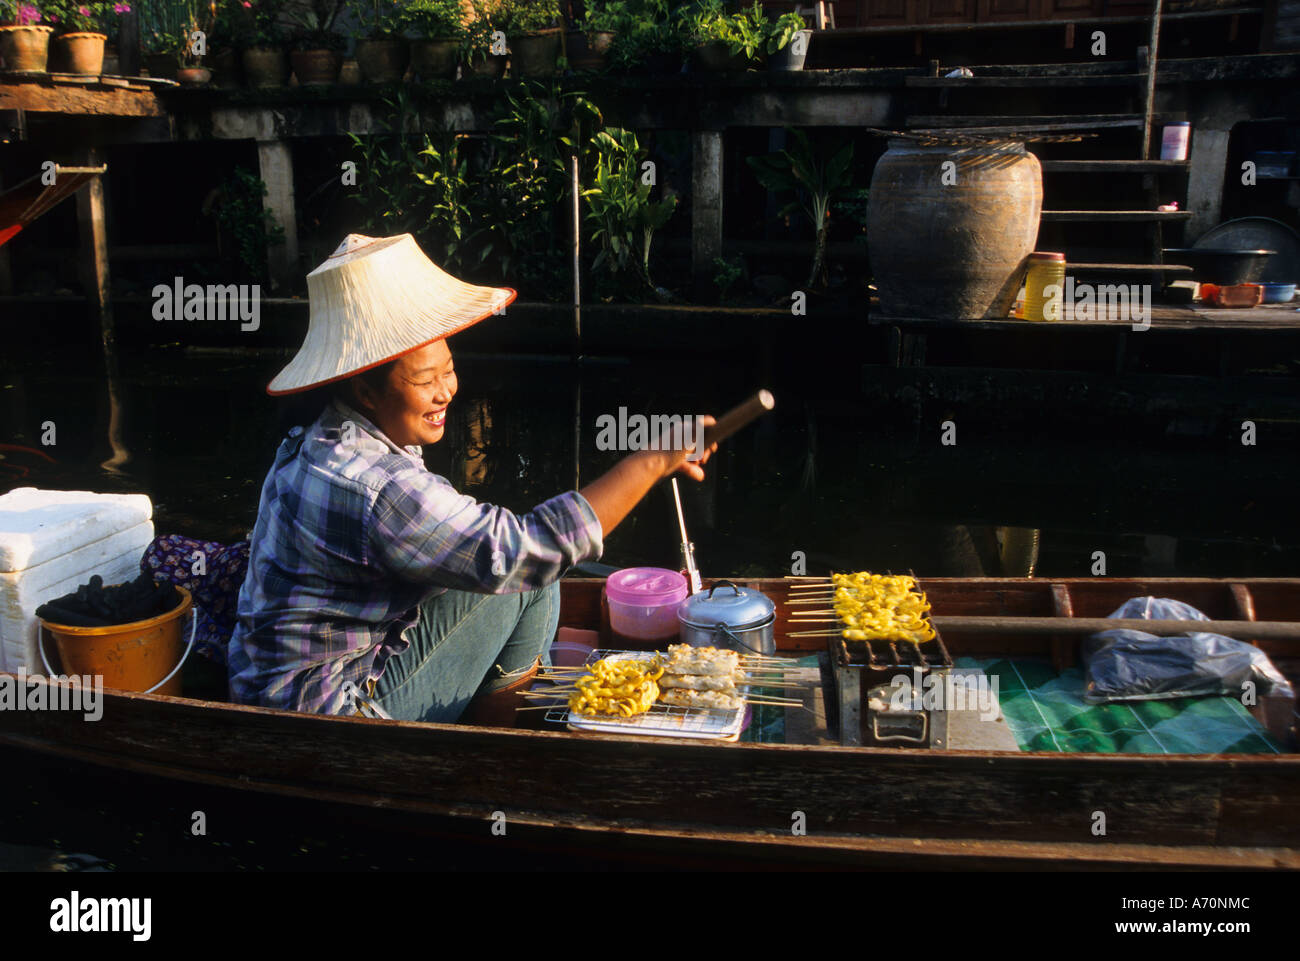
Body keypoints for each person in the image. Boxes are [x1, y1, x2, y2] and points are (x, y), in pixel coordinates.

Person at [226, 233, 714, 725]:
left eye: (449, 370)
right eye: (424, 380)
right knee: (528, 577)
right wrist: (649, 463)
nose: (446, 392)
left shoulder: (323, 430)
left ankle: (496, 716)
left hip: (277, 681)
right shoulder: (374, 483)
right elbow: (522, 551)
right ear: (366, 392)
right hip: (327, 715)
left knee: (521, 569)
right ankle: (496, 743)